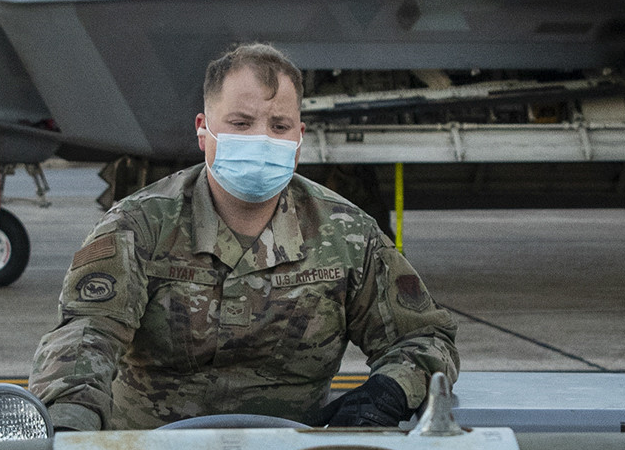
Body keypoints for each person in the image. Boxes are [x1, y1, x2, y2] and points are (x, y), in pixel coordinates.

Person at [29, 42, 459, 430]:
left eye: (279, 126)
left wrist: (389, 392)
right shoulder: (139, 226)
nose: (261, 139)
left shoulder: (347, 234)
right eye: (241, 122)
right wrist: (70, 426)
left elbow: (423, 337)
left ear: (299, 138)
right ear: (203, 129)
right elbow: (85, 336)